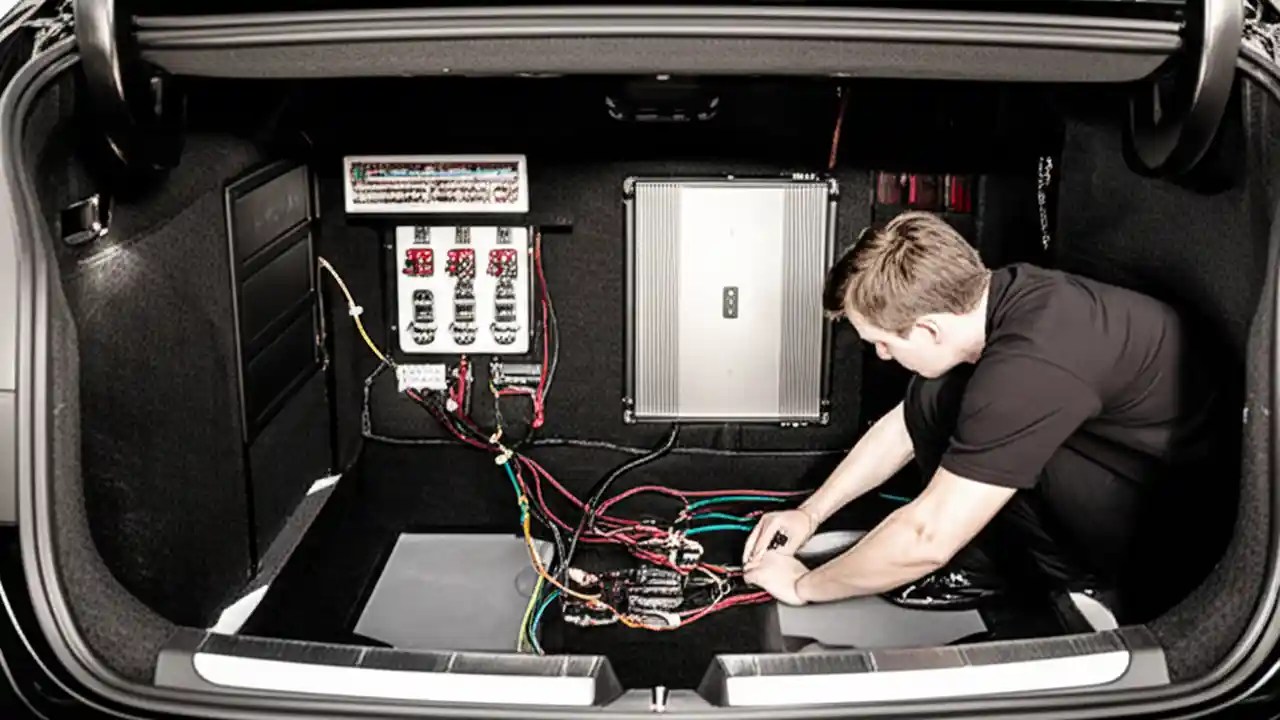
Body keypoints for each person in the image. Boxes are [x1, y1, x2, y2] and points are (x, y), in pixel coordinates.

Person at [741, 211, 1213, 621]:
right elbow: (904, 425)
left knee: (972, 436)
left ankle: (1082, 582)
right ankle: (984, 567)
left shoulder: (1027, 368)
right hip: (1124, 454)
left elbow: (926, 537)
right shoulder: (1002, 296)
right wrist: (810, 513)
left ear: (928, 327)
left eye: (883, 342)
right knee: (933, 395)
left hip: (1166, 516)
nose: (881, 355)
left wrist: (804, 587)